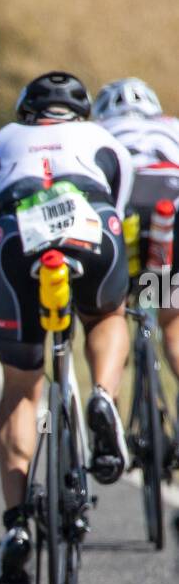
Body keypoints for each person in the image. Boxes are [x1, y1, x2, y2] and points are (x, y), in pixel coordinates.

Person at [0, 71, 135, 584]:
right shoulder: (104, 139)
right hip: (93, 224)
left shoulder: (3, 139)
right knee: (107, 314)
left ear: (27, 111)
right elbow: (119, 203)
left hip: (17, 239)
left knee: (21, 388)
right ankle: (102, 395)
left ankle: (17, 525)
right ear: (82, 113)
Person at [93, 78, 179, 387]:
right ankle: (152, 301)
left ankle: (108, 399)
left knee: (108, 319)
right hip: (167, 223)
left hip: (121, 223)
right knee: (171, 322)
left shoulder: (96, 133)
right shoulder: (172, 126)